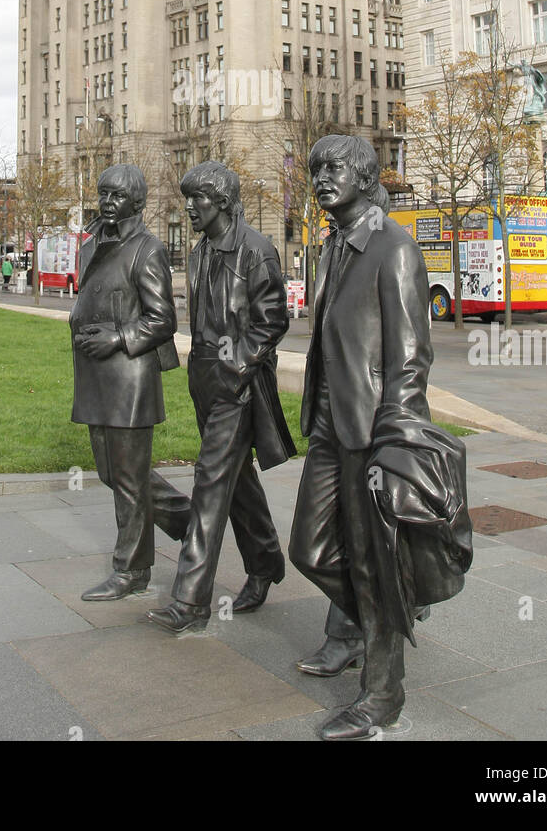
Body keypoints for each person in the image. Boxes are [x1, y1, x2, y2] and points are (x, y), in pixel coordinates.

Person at [289, 134, 469, 741]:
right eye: (315, 170)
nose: (320, 179)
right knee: (310, 550)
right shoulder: (336, 245)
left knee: (370, 564)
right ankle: (386, 613)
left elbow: (410, 361)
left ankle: (381, 695)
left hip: (371, 429)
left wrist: (392, 444)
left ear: (367, 178)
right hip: (329, 424)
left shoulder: (393, 247)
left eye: (333, 168)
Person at [147, 161, 294, 635]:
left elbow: (272, 321)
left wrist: (237, 367)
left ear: (224, 202)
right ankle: (266, 561)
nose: (189, 207)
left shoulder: (257, 251)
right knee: (237, 483)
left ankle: (190, 601)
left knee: (210, 483)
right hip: (205, 380)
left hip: (239, 383)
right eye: (188, 198)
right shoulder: (198, 252)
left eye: (199, 199)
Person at [70, 164, 191, 601]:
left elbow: (163, 320)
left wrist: (119, 337)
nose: (107, 202)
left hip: (128, 379)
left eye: (117, 196)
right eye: (103, 193)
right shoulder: (93, 245)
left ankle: (131, 569)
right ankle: (191, 522)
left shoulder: (147, 249)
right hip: (96, 376)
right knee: (114, 474)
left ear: (137, 202)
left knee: (127, 478)